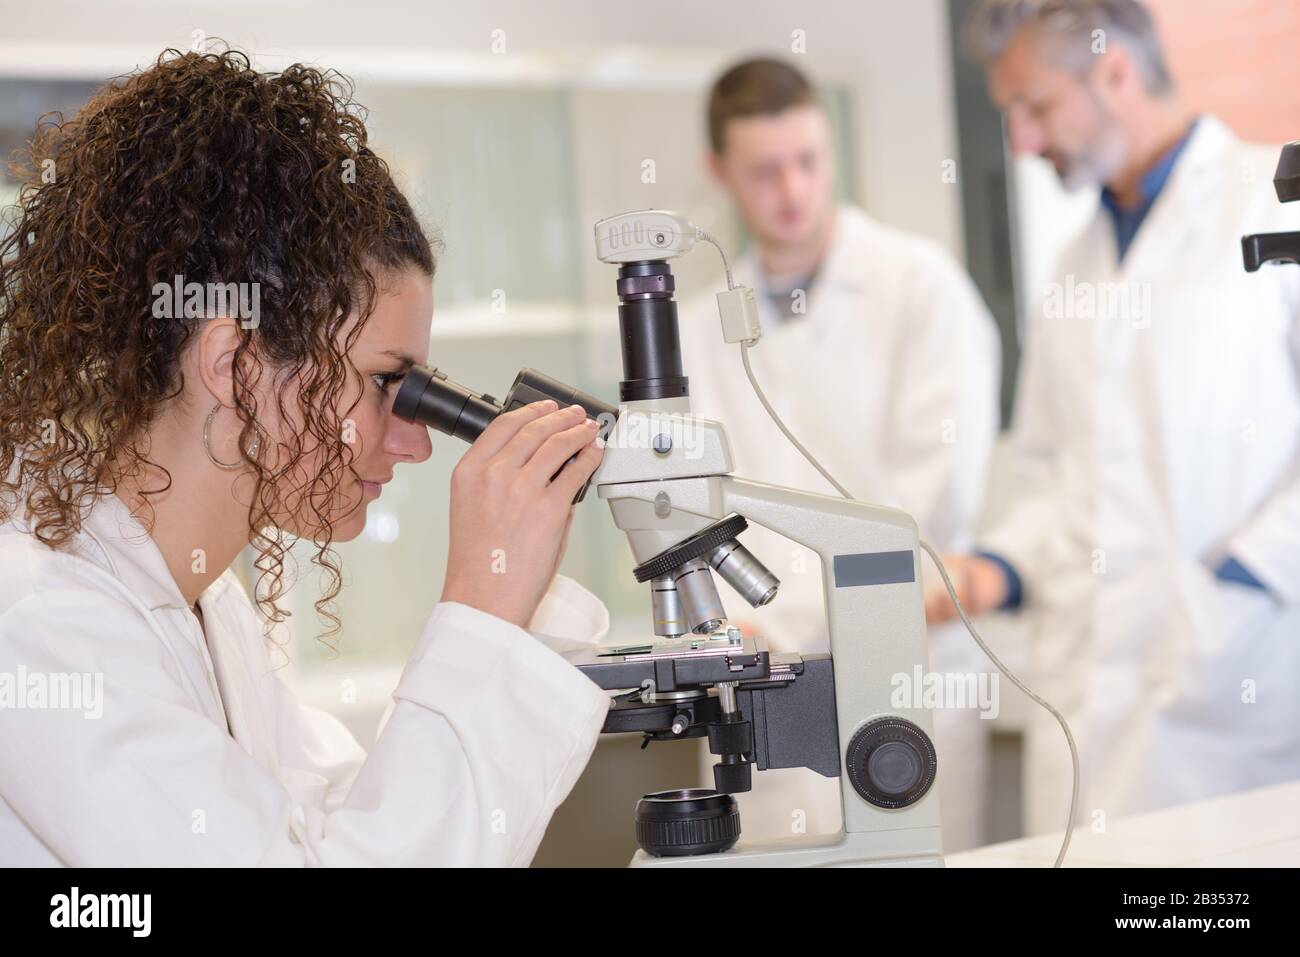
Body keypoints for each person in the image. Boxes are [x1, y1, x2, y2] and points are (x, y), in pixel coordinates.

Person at [0, 48, 610, 865]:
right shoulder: (42, 624)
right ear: (233, 364)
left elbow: (340, 824)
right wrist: (482, 610)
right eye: (385, 382)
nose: (416, 437)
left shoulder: (206, 602)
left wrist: (511, 613)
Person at [930, 0, 1300, 834]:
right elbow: (1050, 471)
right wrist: (995, 567)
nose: (1021, 141)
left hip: (1233, 688)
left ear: (1115, 71)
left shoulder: (1278, 200)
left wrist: (1239, 582)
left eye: (1034, 107)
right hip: (1085, 695)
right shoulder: (1073, 265)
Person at [677, 58, 1002, 851]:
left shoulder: (920, 287)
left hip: (900, 675)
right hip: (759, 690)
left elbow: (924, 513)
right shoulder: (696, 328)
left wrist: (779, 623)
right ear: (719, 171)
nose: (791, 190)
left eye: (807, 161)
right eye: (764, 170)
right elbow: (690, 507)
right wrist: (750, 635)